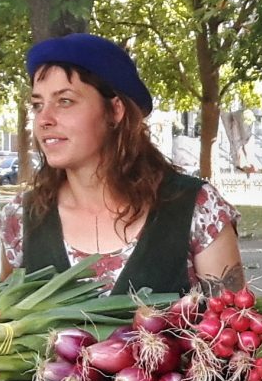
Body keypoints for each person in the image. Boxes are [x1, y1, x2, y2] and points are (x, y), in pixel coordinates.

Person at [21, 33, 245, 292]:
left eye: (65, 101)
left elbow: (233, 322)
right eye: (38, 105)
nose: (44, 119)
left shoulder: (196, 208)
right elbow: (1, 327)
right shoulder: (21, 219)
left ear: (115, 110)